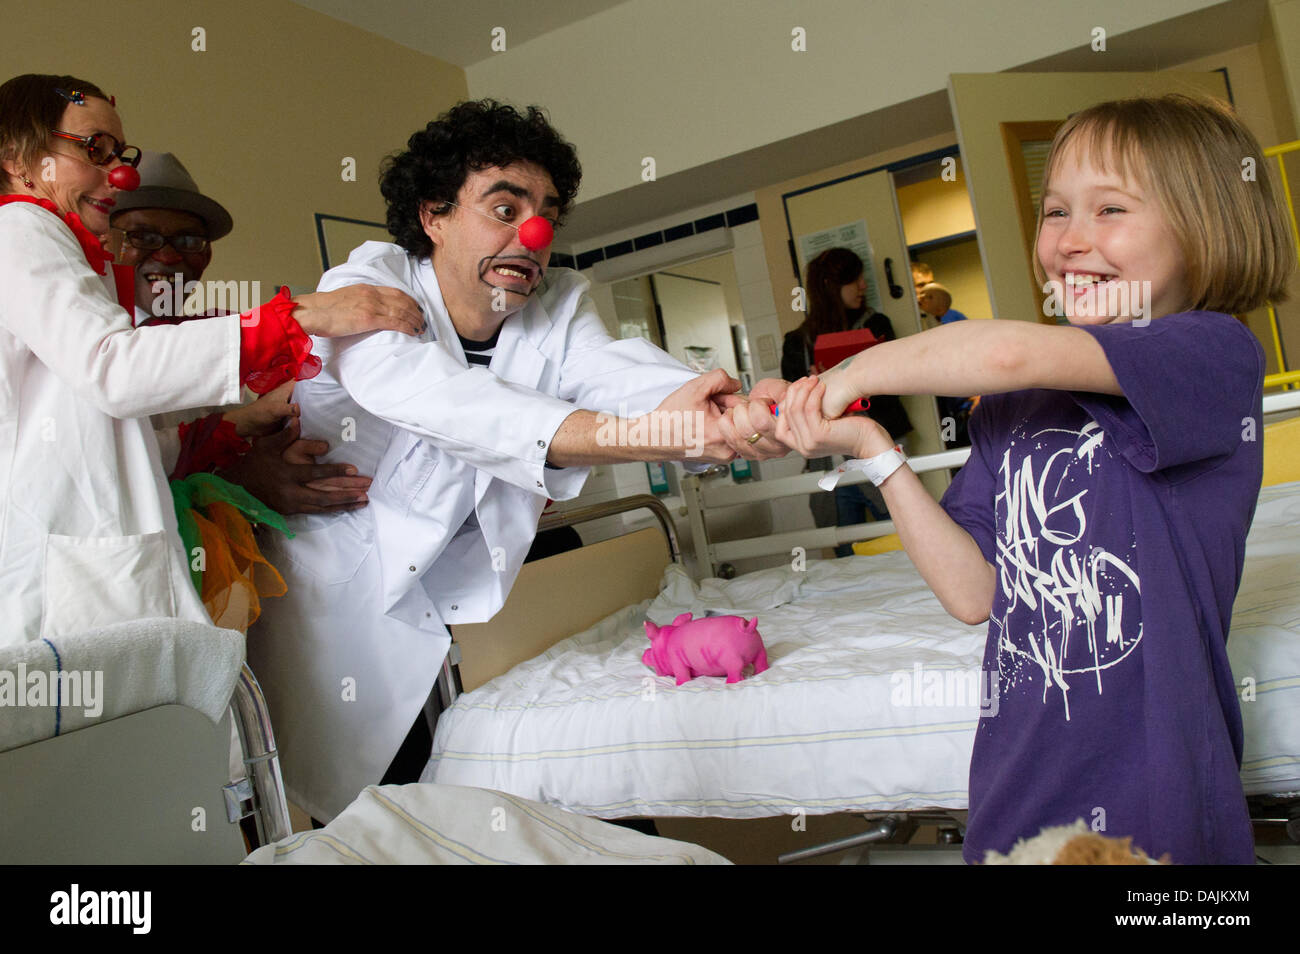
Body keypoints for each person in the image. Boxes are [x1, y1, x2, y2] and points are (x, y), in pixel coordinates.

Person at [747, 94, 1295, 863]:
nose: (1070, 241)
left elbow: (1005, 352)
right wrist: (871, 443)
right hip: (1017, 782)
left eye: (1110, 210)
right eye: (1055, 212)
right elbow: (973, 593)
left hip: (1157, 787)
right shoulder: (1016, 406)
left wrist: (847, 373)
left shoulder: (1210, 353)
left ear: (1205, 231)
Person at [248, 100, 789, 822]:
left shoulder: (560, 299)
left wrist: (729, 411)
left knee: (545, 799)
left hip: (481, 622)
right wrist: (645, 435)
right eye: (504, 207)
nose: (532, 234)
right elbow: (444, 403)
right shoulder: (374, 284)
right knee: (386, 831)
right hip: (352, 615)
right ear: (434, 215)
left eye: (546, 214)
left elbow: (620, 375)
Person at [0, 73, 422, 646]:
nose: (119, 174)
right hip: (64, 584)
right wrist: (300, 315)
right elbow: (115, 370)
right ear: (18, 156)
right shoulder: (19, 227)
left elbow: (121, 436)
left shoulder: (72, 265)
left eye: (119, 154)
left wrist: (234, 425)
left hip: (103, 575)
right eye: (93, 149)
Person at [109, 151, 381, 517]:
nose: (170, 256)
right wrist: (243, 483)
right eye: (143, 236)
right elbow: (108, 478)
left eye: (189, 241)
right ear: (105, 243)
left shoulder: (231, 341)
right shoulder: (72, 350)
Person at [782, 247, 912, 554]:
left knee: (904, 536)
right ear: (829, 286)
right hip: (831, 461)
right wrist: (812, 385)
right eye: (854, 280)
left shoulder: (876, 325)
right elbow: (791, 407)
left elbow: (899, 381)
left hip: (880, 447)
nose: (863, 286)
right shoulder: (797, 343)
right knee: (845, 549)